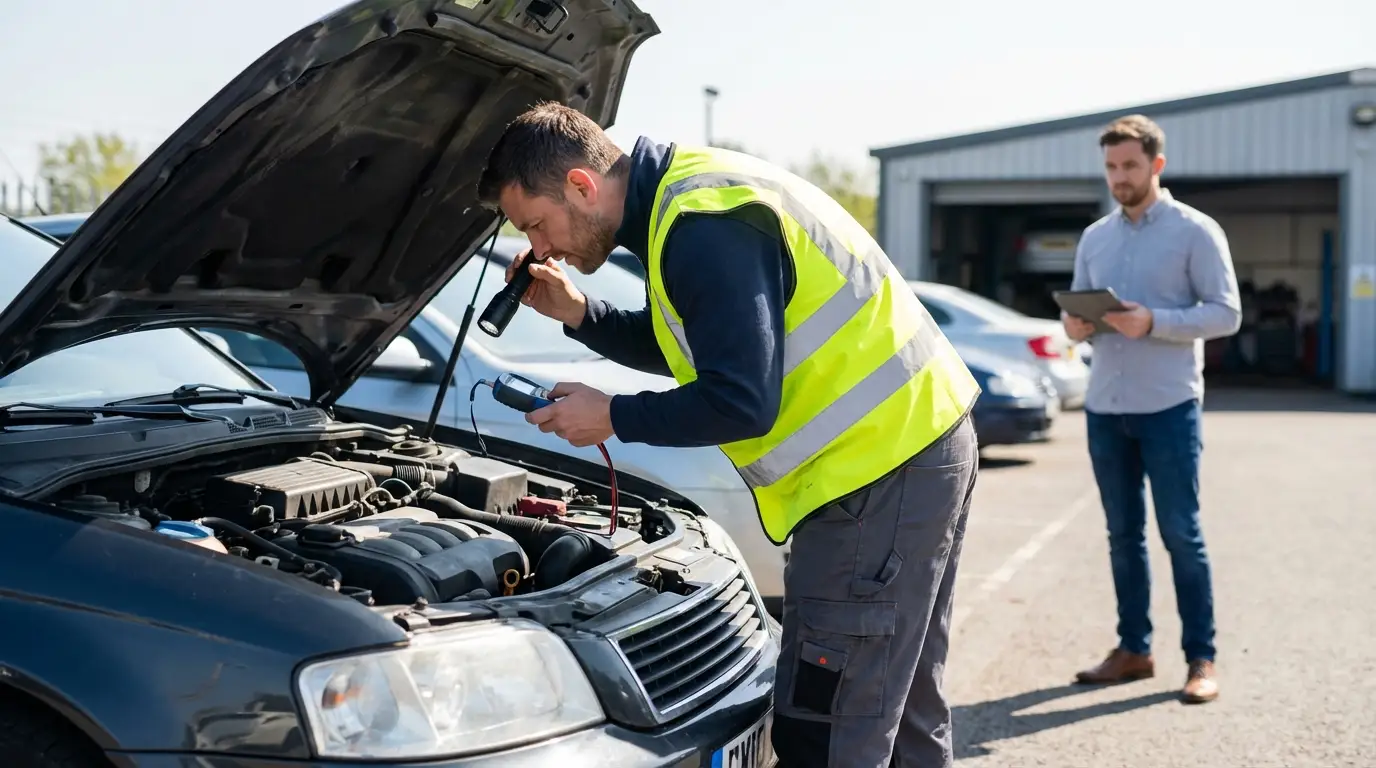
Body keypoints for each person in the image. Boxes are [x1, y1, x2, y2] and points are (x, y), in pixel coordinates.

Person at [475, 102, 983, 767]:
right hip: (911, 448)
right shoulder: (681, 205)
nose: (540, 248)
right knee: (903, 708)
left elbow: (741, 400)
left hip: (876, 470)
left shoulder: (701, 223)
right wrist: (580, 314)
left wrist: (614, 415)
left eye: (536, 225)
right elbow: (703, 345)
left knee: (829, 731)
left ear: (580, 185)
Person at [1062, 114, 1241, 704]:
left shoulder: (1196, 231)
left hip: (1168, 406)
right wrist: (1076, 324)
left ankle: (1202, 660)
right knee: (1122, 536)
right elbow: (1079, 320)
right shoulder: (1095, 238)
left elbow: (1227, 314)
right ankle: (1134, 649)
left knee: (1181, 535)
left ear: (1156, 165)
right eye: (1111, 167)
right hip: (1106, 407)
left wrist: (1155, 321)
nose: (1119, 177)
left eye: (1130, 166)